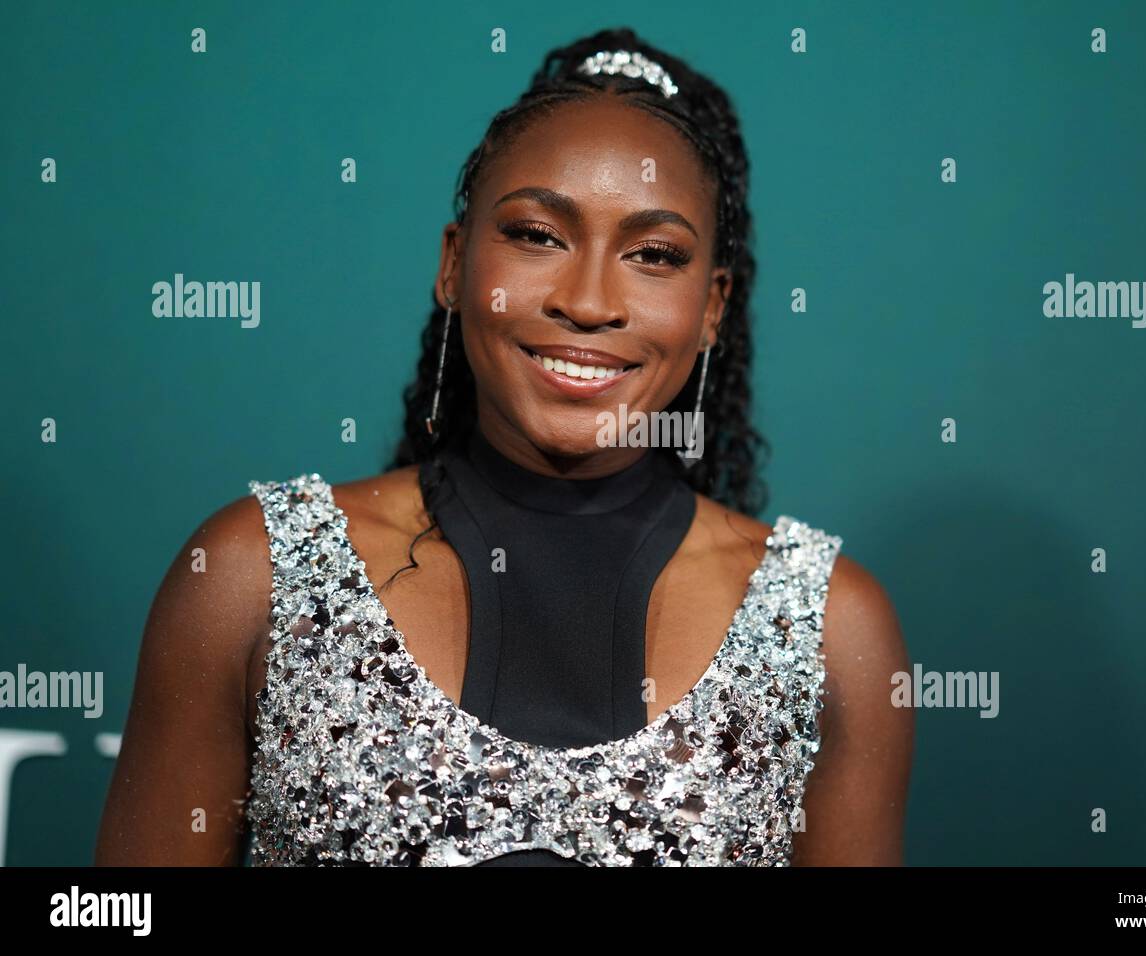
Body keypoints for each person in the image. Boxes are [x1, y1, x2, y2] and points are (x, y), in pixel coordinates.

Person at [95, 27, 913, 867]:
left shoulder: (830, 632)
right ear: (453, 263)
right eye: (536, 235)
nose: (589, 301)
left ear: (712, 308)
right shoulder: (251, 574)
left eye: (654, 254)